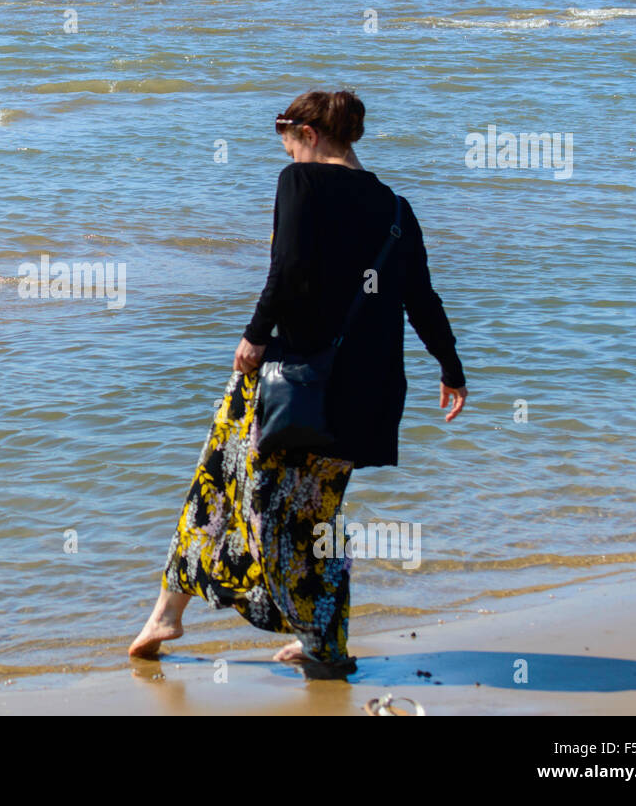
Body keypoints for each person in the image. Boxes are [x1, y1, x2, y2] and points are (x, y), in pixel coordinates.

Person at [128, 89, 468, 677]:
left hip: (293, 385)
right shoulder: (396, 209)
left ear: (308, 135)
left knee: (218, 483)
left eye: (288, 144)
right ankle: (320, 644)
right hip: (366, 394)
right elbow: (421, 297)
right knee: (317, 520)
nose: (287, 156)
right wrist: (451, 367)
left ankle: (171, 614)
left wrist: (254, 335)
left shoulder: (300, 182)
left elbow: (285, 268)